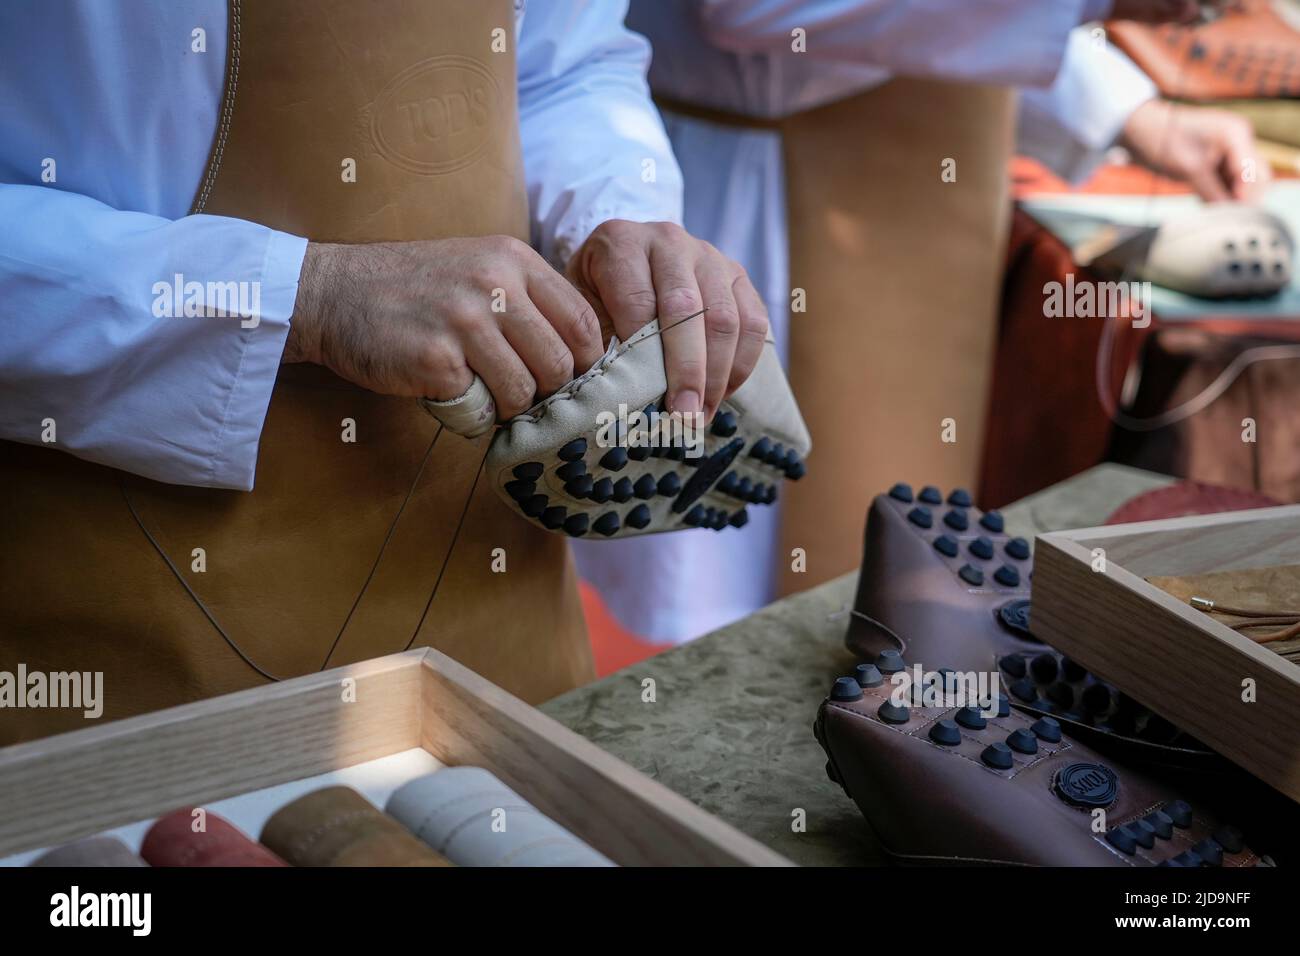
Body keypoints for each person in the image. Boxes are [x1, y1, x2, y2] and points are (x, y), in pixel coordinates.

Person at [0, 0, 767, 743]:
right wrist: (305, 297)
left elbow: (562, 66)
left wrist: (616, 217)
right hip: (114, 633)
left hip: (492, 580)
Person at [575, 0, 1265, 646]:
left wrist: (1126, 111)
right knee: (739, 593)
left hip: (919, 216)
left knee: (885, 575)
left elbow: (951, 39)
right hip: (781, 203)